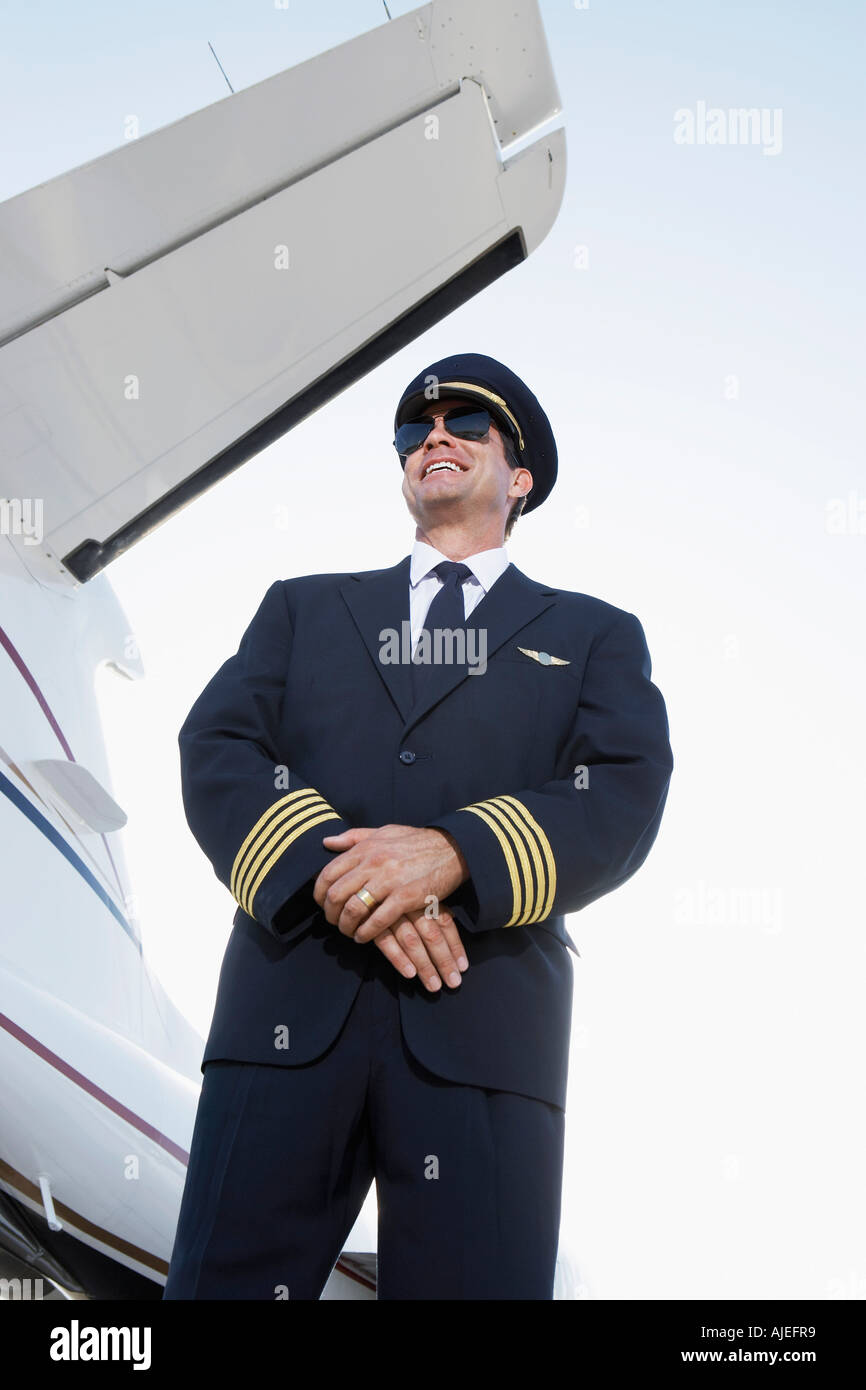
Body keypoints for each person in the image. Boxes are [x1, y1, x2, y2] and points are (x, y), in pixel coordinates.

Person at [162, 352, 673, 1300]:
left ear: (518, 480)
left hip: (482, 1028)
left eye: (466, 423)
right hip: (289, 1015)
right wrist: (353, 879)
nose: (434, 436)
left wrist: (452, 855)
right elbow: (219, 745)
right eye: (415, 429)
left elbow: (621, 792)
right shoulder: (303, 607)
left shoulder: (597, 633)